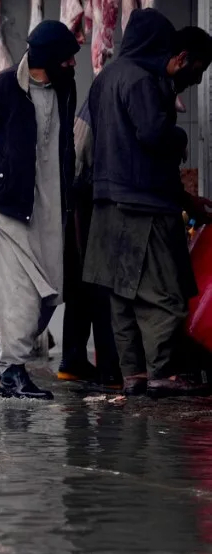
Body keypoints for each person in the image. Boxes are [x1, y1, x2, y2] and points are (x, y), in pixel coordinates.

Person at [83, 12, 212, 398]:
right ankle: (162, 373)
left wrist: (186, 199)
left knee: (121, 295)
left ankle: (134, 374)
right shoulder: (141, 79)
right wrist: (180, 139)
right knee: (165, 295)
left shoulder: (105, 78)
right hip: (143, 205)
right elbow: (153, 135)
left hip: (107, 203)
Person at [0, 20, 80, 400]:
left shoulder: (65, 89)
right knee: (17, 296)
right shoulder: (1, 88)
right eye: (67, 59)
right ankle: (12, 370)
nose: (73, 66)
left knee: (49, 294)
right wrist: (3, 173)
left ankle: (8, 360)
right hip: (8, 211)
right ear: (49, 59)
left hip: (48, 208)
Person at [57, 98, 122, 390]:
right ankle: (109, 369)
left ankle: (73, 360)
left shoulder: (106, 89)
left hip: (81, 196)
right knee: (97, 281)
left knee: (82, 281)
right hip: (87, 198)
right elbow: (80, 149)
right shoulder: (118, 89)